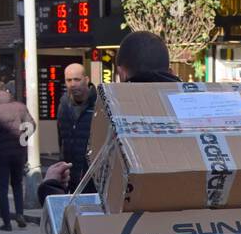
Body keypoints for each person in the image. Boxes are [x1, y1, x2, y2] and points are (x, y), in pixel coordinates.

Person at [37, 32, 180, 204]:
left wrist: (51, 186)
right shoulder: (200, 113)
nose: (73, 84)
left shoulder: (112, 120)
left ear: (122, 73)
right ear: (170, 70)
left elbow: (82, 216)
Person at [0, 88, 35, 232]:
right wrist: (23, 139)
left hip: (1, 155)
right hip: (19, 153)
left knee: (2, 188)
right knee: (17, 184)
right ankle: (19, 214)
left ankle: (6, 223)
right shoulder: (20, 107)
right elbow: (32, 126)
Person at [58, 63, 98, 191]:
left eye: (77, 79)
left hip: (93, 177)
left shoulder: (99, 104)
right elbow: (61, 139)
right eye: (69, 80)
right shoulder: (64, 105)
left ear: (86, 80)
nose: (73, 84)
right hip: (70, 176)